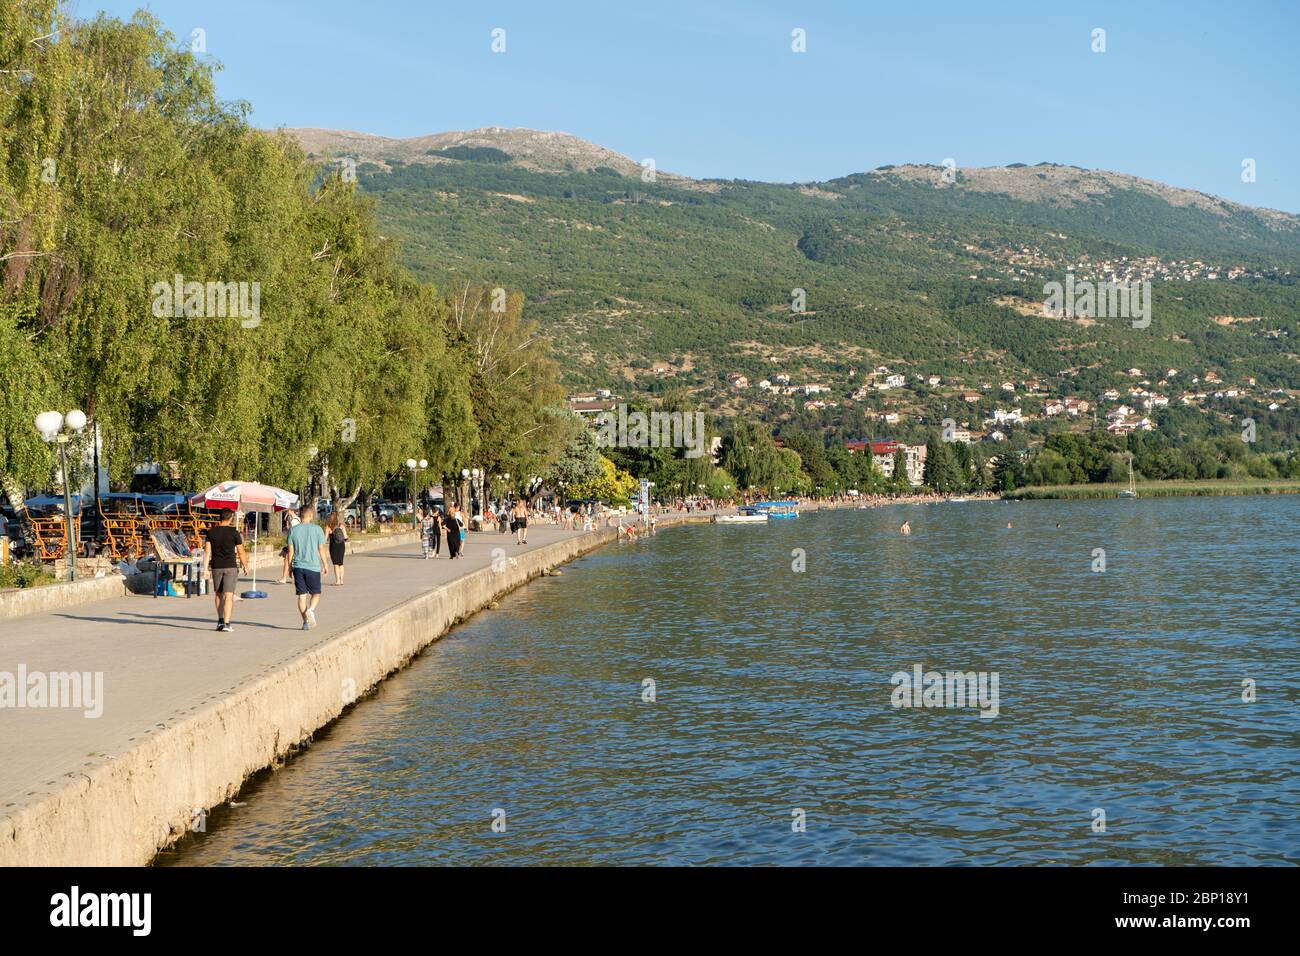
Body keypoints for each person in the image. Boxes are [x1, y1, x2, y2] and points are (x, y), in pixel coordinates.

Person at [203, 509, 248, 632]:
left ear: (220, 517)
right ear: (231, 518)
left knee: (218, 594)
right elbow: (241, 551)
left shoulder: (211, 532)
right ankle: (227, 624)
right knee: (229, 595)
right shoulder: (234, 532)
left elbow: (207, 552)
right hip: (230, 566)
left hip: (216, 566)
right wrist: (245, 565)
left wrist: (205, 569)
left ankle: (220, 621)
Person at [286, 504, 330, 630]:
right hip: (313, 567)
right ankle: (311, 610)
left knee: (302, 596)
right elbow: (321, 548)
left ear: (301, 515)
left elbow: (290, 551)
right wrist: (325, 564)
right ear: (311, 515)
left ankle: (305, 622)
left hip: (298, 567)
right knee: (316, 593)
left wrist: (289, 568)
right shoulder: (317, 529)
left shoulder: (293, 530)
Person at [274, 507, 301, 585]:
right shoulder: (295, 519)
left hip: (293, 543)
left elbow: (292, 531)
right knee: (288, 560)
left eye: (288, 510)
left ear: (291, 511)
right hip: (293, 542)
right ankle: (287, 577)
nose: (287, 512)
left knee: (288, 560)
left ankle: (285, 578)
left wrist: (287, 523)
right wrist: (286, 520)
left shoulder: (295, 520)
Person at [325, 511, 348, 584]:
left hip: (333, 546)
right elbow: (346, 537)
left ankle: (337, 580)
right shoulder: (341, 525)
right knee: (341, 563)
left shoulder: (328, 527)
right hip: (341, 545)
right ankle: (342, 580)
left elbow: (324, 539)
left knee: (335, 563)